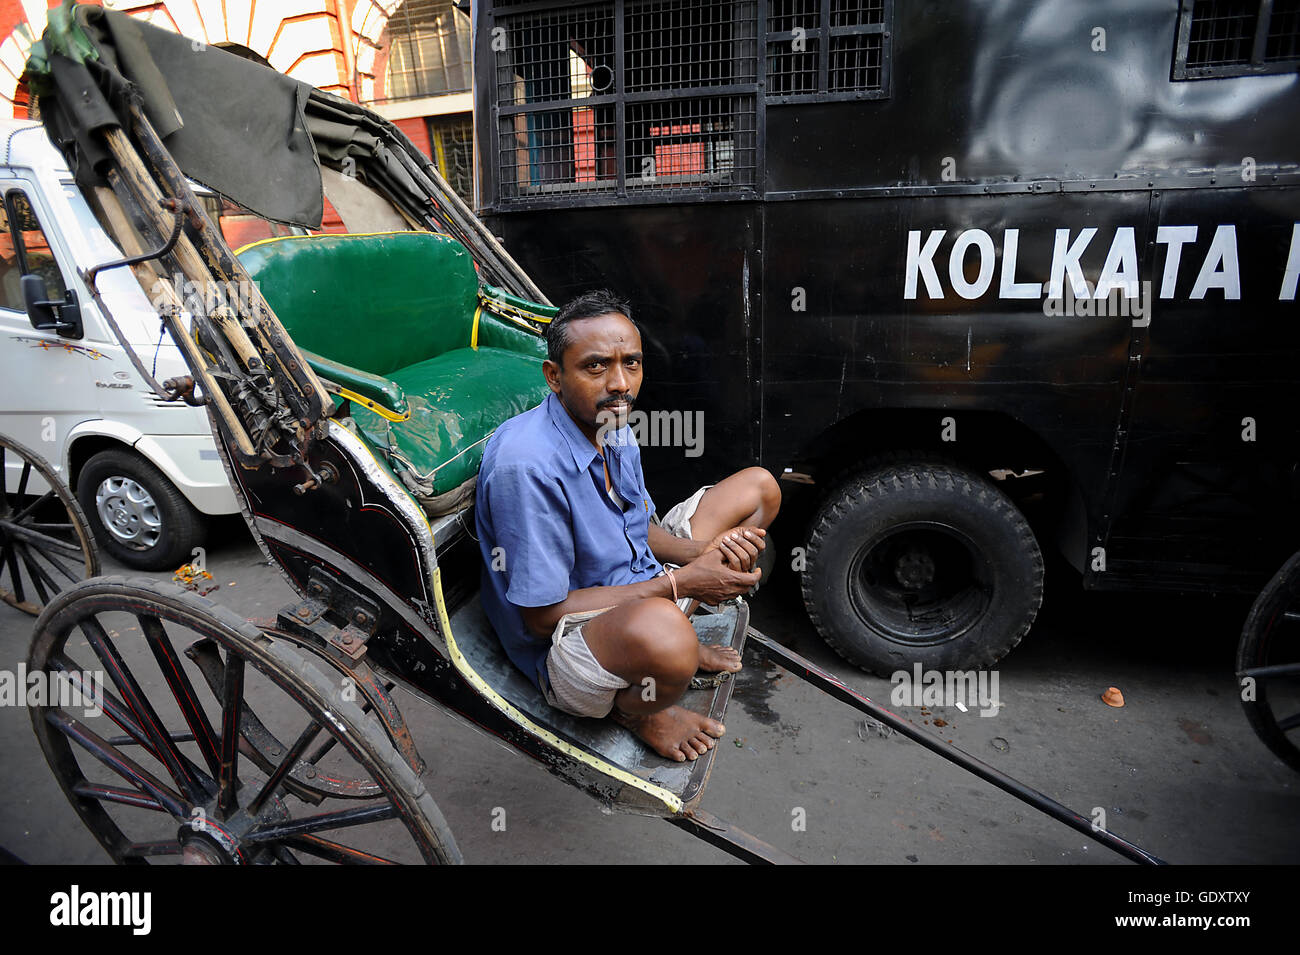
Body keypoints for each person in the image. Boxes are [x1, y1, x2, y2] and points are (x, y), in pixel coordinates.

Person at [475, 289, 781, 762]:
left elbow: (637, 527)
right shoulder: (527, 467)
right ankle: (638, 711)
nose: (620, 383)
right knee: (669, 639)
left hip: (638, 583)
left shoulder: (610, 424)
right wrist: (682, 583)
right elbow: (541, 619)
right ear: (554, 376)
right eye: (595, 366)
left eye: (631, 363)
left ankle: (668, 643)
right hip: (569, 636)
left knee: (759, 489)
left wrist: (700, 556)